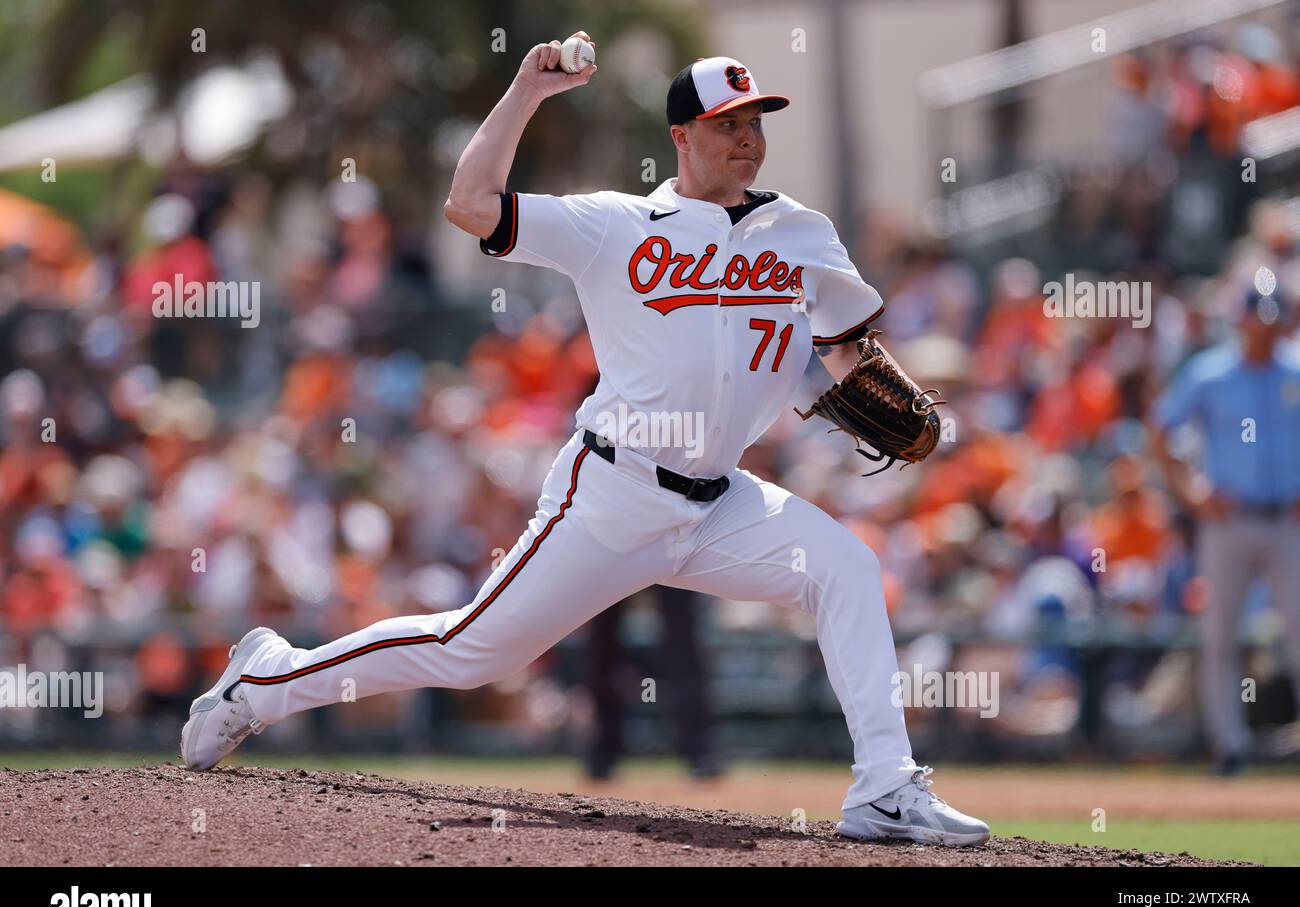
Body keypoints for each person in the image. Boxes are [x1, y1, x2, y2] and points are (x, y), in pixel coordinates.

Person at [181, 32, 990, 847]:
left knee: (847, 567)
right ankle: (266, 679)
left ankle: (885, 789)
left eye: (757, 121)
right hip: (613, 492)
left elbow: (848, 347)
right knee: (473, 651)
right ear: (681, 137)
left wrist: (894, 389)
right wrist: (528, 92)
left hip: (721, 504)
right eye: (727, 123)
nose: (748, 138)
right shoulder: (618, 224)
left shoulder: (802, 233)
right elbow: (470, 205)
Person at [1150, 285, 1300, 775]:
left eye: (1272, 318)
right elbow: (1161, 427)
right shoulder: (1211, 372)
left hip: (1287, 520)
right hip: (1229, 520)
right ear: (1241, 321)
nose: (1264, 327)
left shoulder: (1295, 370)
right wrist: (1190, 492)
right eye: (1257, 317)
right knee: (1219, 636)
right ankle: (1230, 746)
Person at [585, 587, 720, 781]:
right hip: (612, 557)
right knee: (602, 648)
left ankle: (700, 752)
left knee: (683, 644)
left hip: (668, 557)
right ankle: (602, 752)